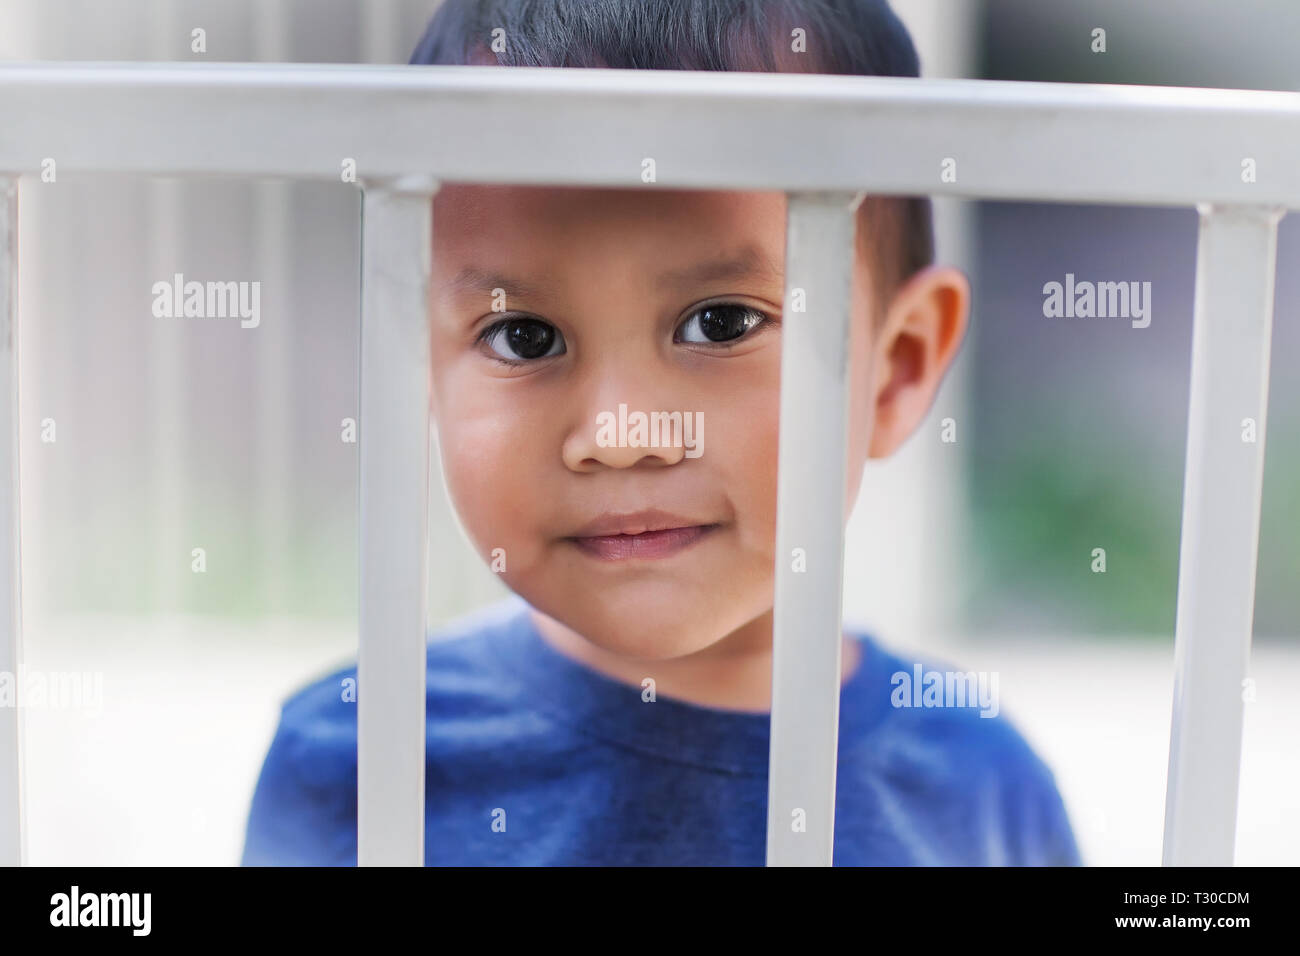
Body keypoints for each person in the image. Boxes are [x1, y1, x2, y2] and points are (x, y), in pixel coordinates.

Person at [241, 0, 1082, 866]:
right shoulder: (359, 761)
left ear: (896, 369)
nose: (621, 434)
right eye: (522, 336)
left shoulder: (978, 791)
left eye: (720, 323)